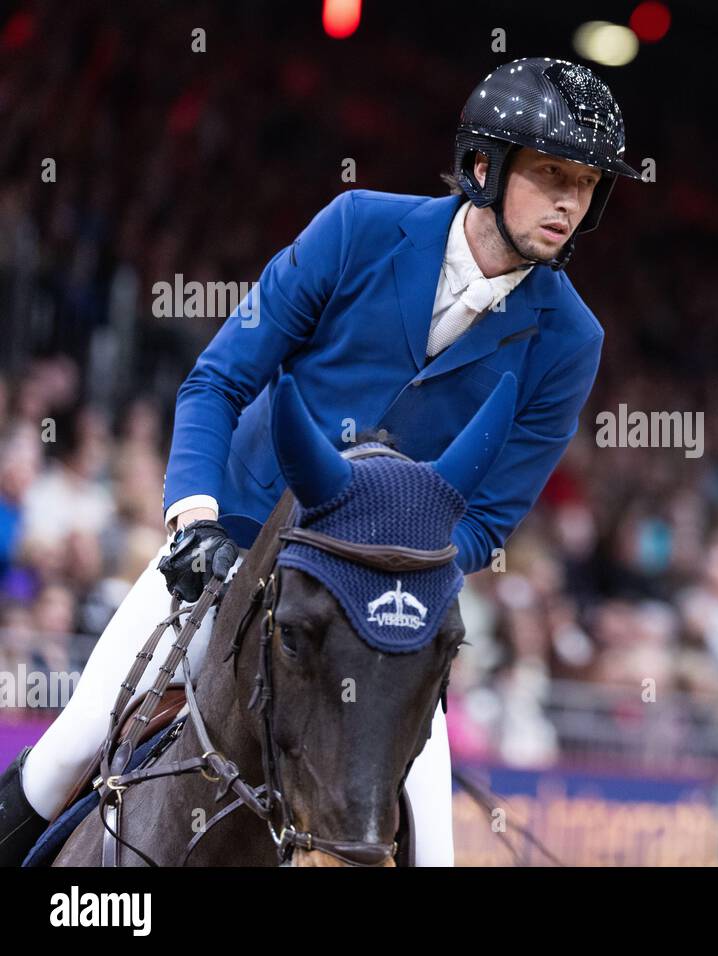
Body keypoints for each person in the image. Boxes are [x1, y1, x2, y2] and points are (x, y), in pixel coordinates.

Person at [0, 56, 639, 866]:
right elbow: (218, 380)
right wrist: (194, 515)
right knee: (69, 749)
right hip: (232, 541)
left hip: (378, 610)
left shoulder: (572, 340)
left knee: (433, 852)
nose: (569, 205)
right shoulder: (357, 227)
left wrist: (396, 576)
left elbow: (486, 522)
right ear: (484, 166)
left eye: (585, 187)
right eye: (552, 175)